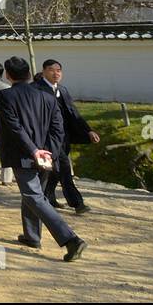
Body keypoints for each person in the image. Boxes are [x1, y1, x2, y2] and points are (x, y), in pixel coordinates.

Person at [0, 56, 87, 260]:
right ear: (29, 74)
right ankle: (32, 235)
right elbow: (58, 129)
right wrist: (49, 152)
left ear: (7, 75)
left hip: (23, 154)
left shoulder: (5, 96)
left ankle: (71, 240)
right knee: (35, 196)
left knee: (34, 196)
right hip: (47, 155)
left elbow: (14, 128)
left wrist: (33, 151)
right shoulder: (47, 97)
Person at [35, 59, 98, 215]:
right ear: (43, 72)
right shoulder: (36, 89)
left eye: (59, 70)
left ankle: (47, 197)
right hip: (47, 138)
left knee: (54, 172)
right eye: (51, 70)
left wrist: (88, 130)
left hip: (63, 137)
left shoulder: (62, 90)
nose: (56, 73)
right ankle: (77, 203)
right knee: (64, 169)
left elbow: (73, 113)